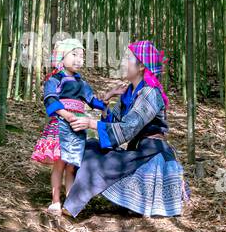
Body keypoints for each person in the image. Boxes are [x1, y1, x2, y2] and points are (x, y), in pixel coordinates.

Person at [64, 40, 189, 218]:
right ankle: (71, 199)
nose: (123, 63)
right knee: (90, 146)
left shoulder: (149, 93)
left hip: (152, 154)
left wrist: (91, 124)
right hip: (137, 151)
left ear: (140, 67)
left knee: (96, 160)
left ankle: (73, 204)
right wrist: (107, 102)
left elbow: (129, 127)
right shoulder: (130, 92)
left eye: (128, 59)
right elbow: (114, 120)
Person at [31, 38, 107, 213]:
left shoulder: (82, 83)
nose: (79, 59)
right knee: (60, 164)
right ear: (61, 57)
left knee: (72, 165)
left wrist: (106, 101)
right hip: (61, 124)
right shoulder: (55, 79)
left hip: (78, 125)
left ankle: (71, 203)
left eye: (81, 56)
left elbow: (92, 101)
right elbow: (50, 99)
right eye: (74, 55)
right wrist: (65, 114)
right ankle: (56, 200)